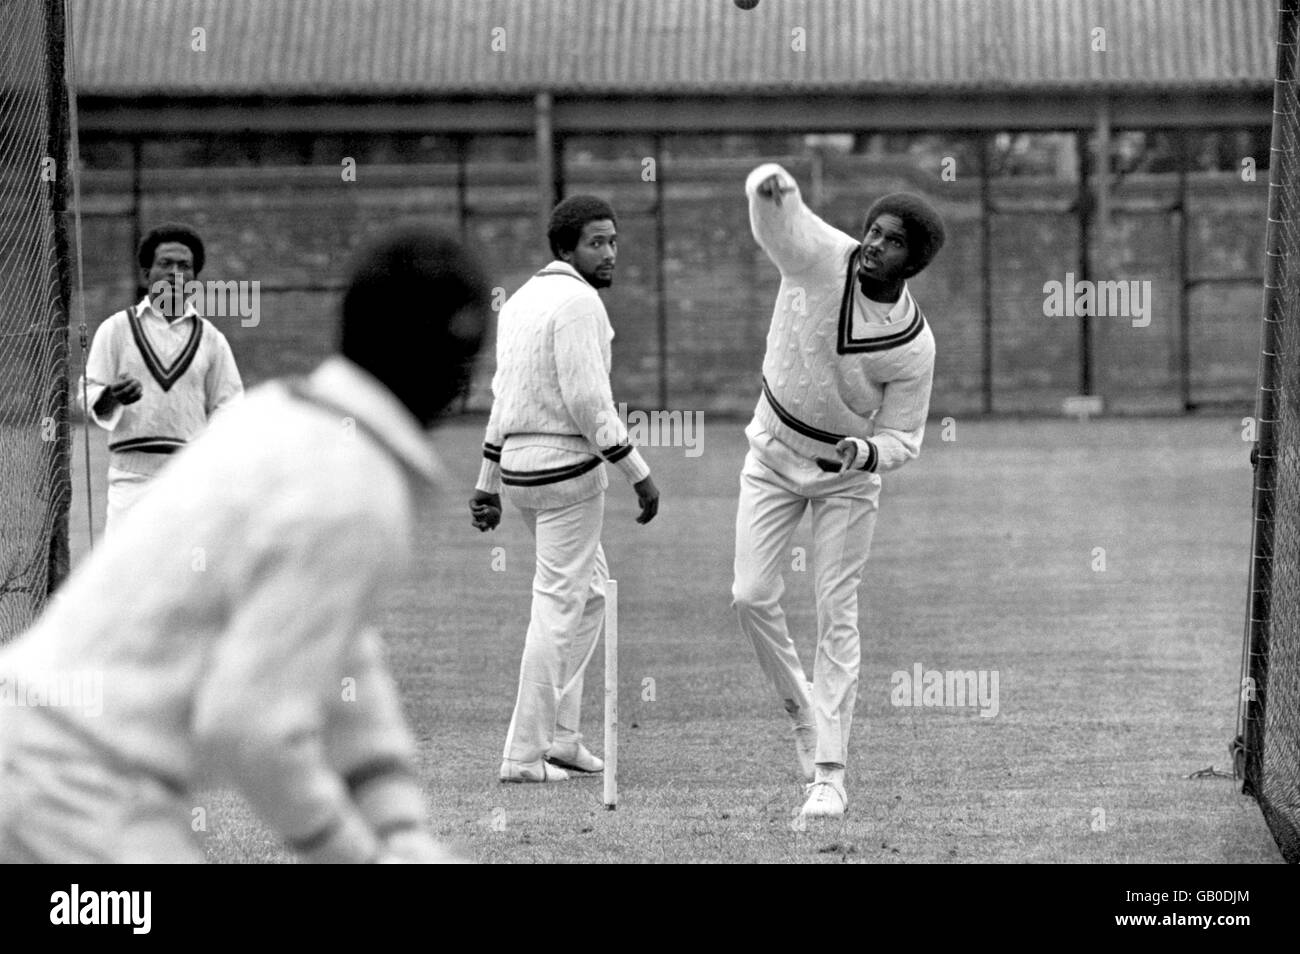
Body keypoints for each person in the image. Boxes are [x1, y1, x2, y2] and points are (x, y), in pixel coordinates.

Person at [0, 226, 490, 862]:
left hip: (40, 752)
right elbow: (250, 727)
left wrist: (401, 829)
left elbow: (347, 655)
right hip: (75, 791)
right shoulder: (355, 486)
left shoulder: (275, 412)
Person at [732, 162, 945, 819]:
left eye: (893, 241)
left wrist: (868, 450)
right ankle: (805, 712)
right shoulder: (823, 256)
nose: (874, 244)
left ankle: (829, 773)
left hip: (846, 482)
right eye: (873, 231)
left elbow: (905, 438)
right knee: (750, 596)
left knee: (836, 612)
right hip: (770, 454)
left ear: (914, 263)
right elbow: (782, 227)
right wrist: (771, 186)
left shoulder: (914, 346)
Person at [471, 195, 660, 784]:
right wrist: (639, 472)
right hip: (567, 475)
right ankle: (523, 756)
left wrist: (488, 482)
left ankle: (562, 739)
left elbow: (505, 396)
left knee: (592, 594)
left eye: (612, 240)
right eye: (595, 243)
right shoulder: (579, 303)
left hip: (525, 472)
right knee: (557, 605)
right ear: (565, 249)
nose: (608, 253)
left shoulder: (521, 300)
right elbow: (587, 402)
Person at [80, 222, 244, 533]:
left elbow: (231, 404)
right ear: (146, 275)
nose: (175, 273)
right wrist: (112, 395)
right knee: (128, 574)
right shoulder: (116, 329)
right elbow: (86, 392)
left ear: (194, 278)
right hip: (130, 479)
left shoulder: (211, 339)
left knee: (186, 573)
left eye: (185, 266)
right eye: (165, 264)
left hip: (190, 480)